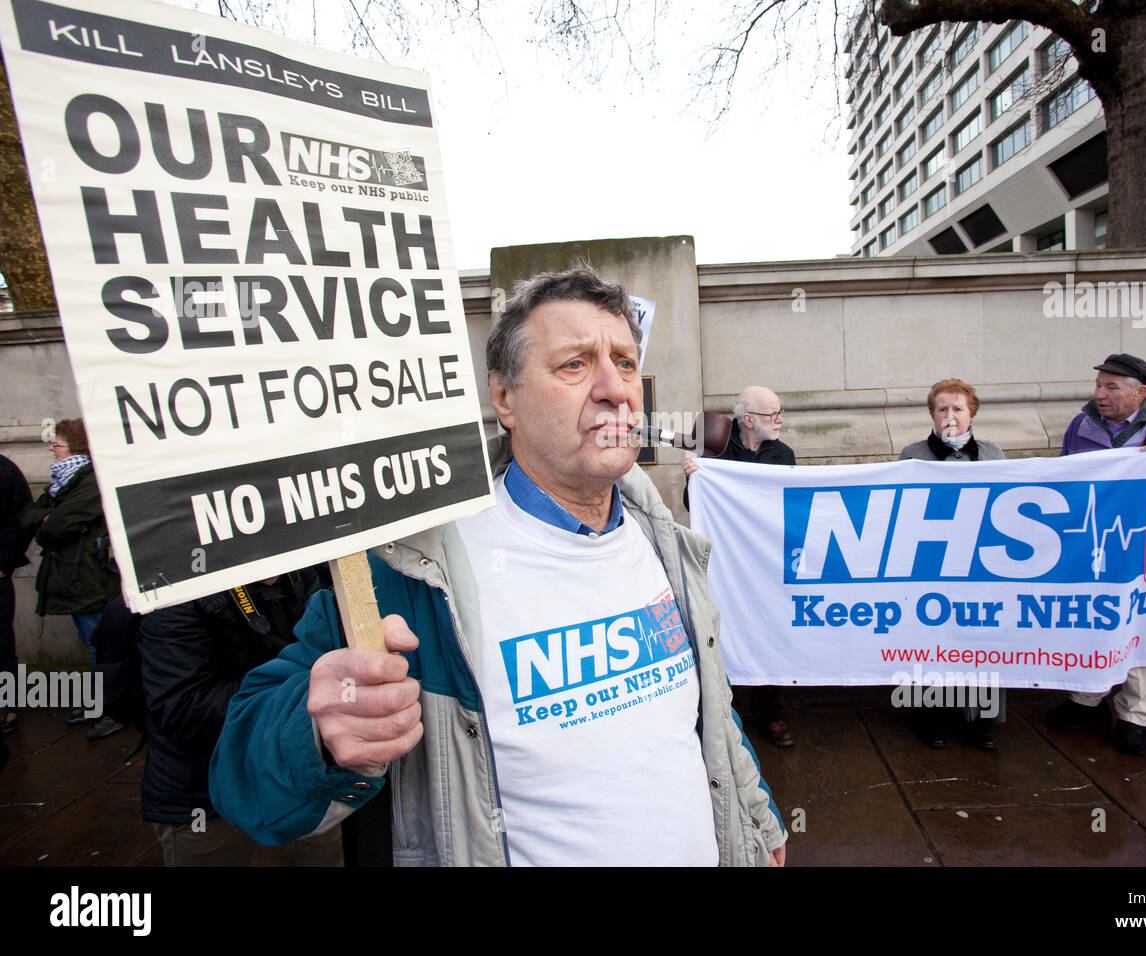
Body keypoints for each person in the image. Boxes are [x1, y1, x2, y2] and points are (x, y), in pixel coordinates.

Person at [210, 268, 787, 866]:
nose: (616, 389)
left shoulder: (665, 541)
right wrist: (316, 736)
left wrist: (757, 817)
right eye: (575, 364)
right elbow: (244, 787)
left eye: (624, 361)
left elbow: (708, 712)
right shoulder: (411, 573)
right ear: (505, 398)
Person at [1045, 353, 1146, 756]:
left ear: (1140, 391)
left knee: (1141, 625)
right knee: (1092, 620)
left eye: (1111, 387)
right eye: (1099, 385)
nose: (1100, 394)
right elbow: (1066, 476)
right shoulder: (1081, 426)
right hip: (1095, 543)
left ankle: (1136, 715)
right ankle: (1087, 699)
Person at [139, 568, 342, 865]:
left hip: (304, 779)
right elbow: (183, 708)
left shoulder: (306, 572)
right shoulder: (175, 592)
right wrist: (308, 694)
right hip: (204, 794)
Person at [684, 385, 797, 748]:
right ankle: (724, 712)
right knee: (723, 629)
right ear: (748, 420)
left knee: (767, 628)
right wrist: (695, 477)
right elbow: (693, 503)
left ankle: (771, 713)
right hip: (725, 561)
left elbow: (788, 504)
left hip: (764, 560)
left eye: (780, 413)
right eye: (772, 414)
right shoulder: (714, 447)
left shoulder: (783, 454)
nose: (780, 420)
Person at [899, 379, 1006, 750]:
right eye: (942, 409)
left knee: (980, 640)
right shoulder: (912, 454)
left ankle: (980, 722)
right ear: (932, 414)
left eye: (957, 409)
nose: (950, 416)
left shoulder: (992, 453)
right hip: (931, 564)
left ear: (971, 414)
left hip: (981, 566)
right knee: (932, 640)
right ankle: (932, 719)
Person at [19, 419, 122, 737]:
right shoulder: (60, 482)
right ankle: (98, 704)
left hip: (91, 577)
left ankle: (112, 709)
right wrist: (46, 518)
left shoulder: (90, 482)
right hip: (72, 577)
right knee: (91, 643)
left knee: (102, 647)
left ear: (76, 449)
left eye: (58, 444)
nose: (52, 449)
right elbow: (29, 517)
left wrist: (48, 520)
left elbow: (52, 528)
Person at [0, 453, 33, 735]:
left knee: (0, 644)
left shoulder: (5, 470)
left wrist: (3, 561)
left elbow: (22, 518)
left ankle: (6, 708)